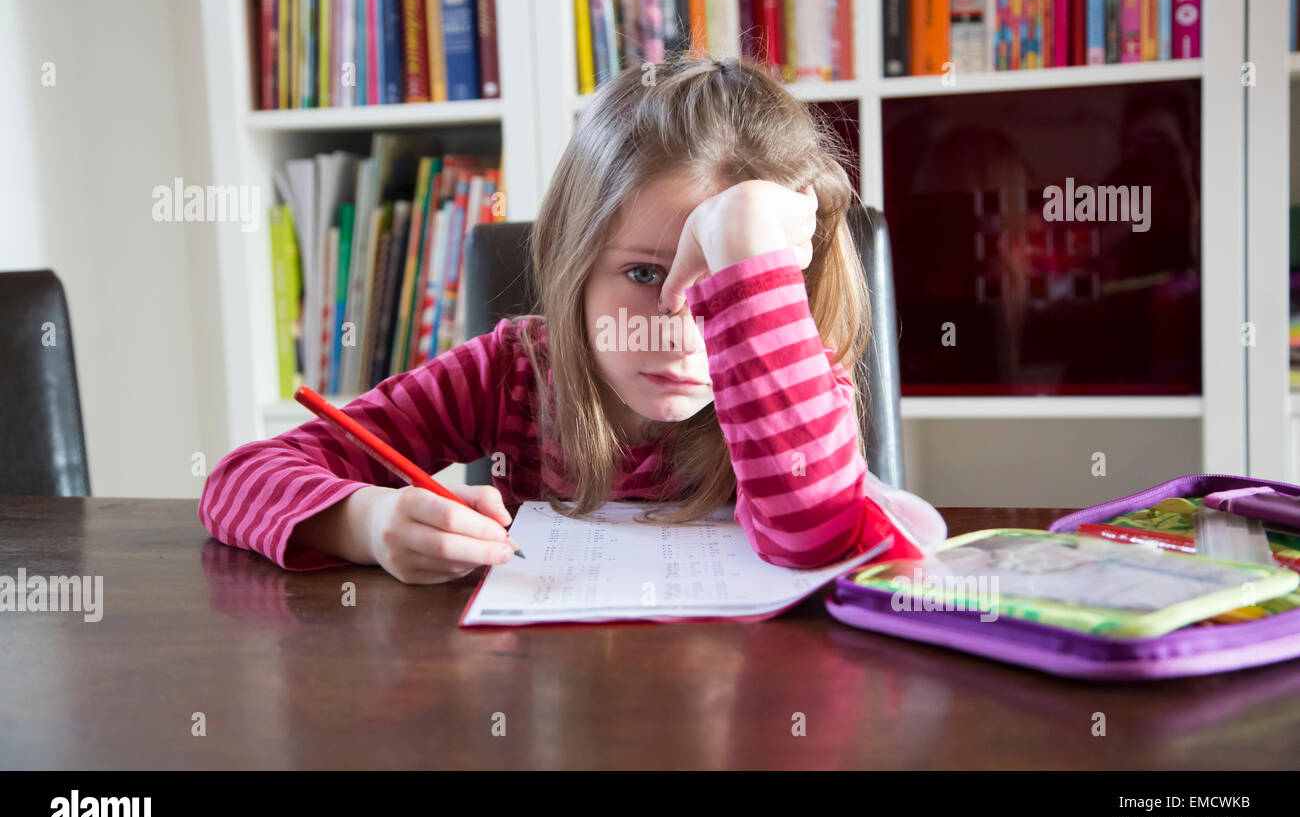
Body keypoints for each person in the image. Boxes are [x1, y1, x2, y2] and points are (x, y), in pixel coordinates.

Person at [197, 53, 945, 584]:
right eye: (645, 273)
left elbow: (811, 537)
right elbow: (238, 479)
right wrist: (366, 524)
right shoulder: (514, 371)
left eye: (731, 285)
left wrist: (751, 238)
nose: (677, 326)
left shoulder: (804, 375)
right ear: (572, 258)